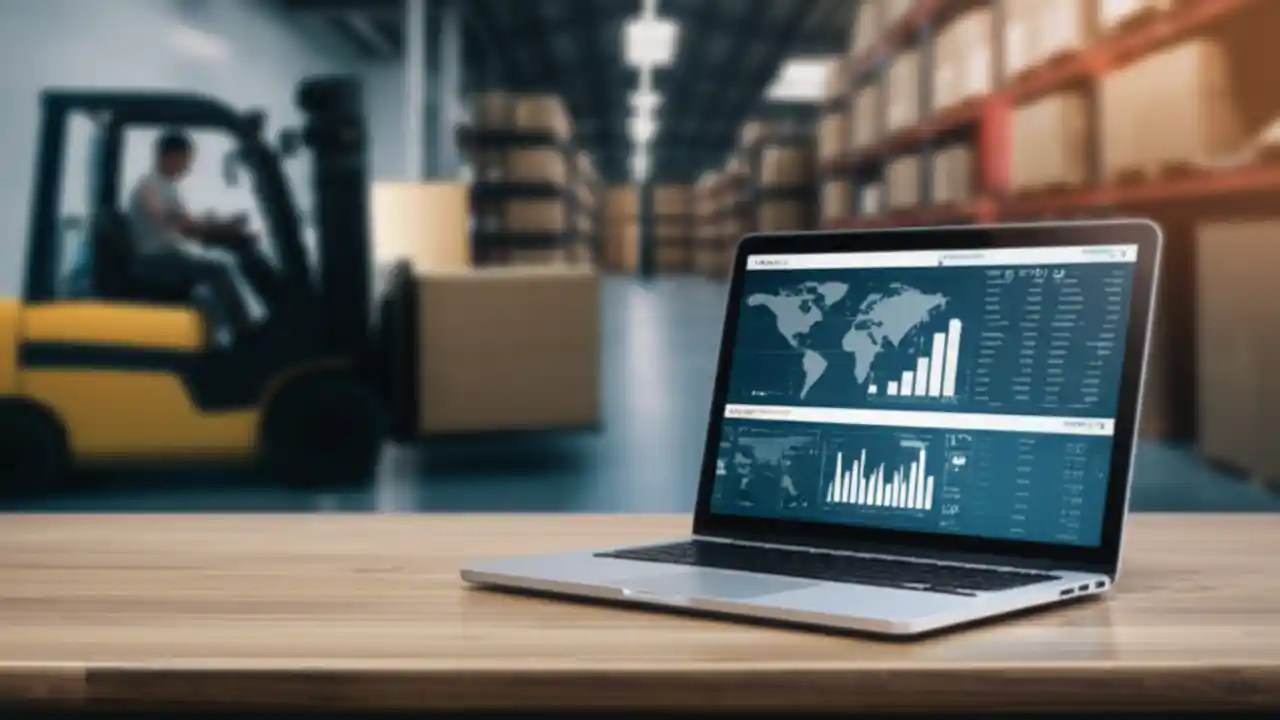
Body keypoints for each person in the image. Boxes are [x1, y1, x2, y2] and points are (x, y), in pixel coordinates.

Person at [127, 130, 275, 349]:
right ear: (170, 156)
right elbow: (172, 220)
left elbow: (186, 221)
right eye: (186, 159)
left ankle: (232, 329)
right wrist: (219, 228)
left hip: (171, 251)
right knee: (219, 267)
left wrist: (223, 225)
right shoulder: (149, 184)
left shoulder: (169, 185)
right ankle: (247, 335)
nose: (188, 166)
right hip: (154, 258)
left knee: (224, 259)